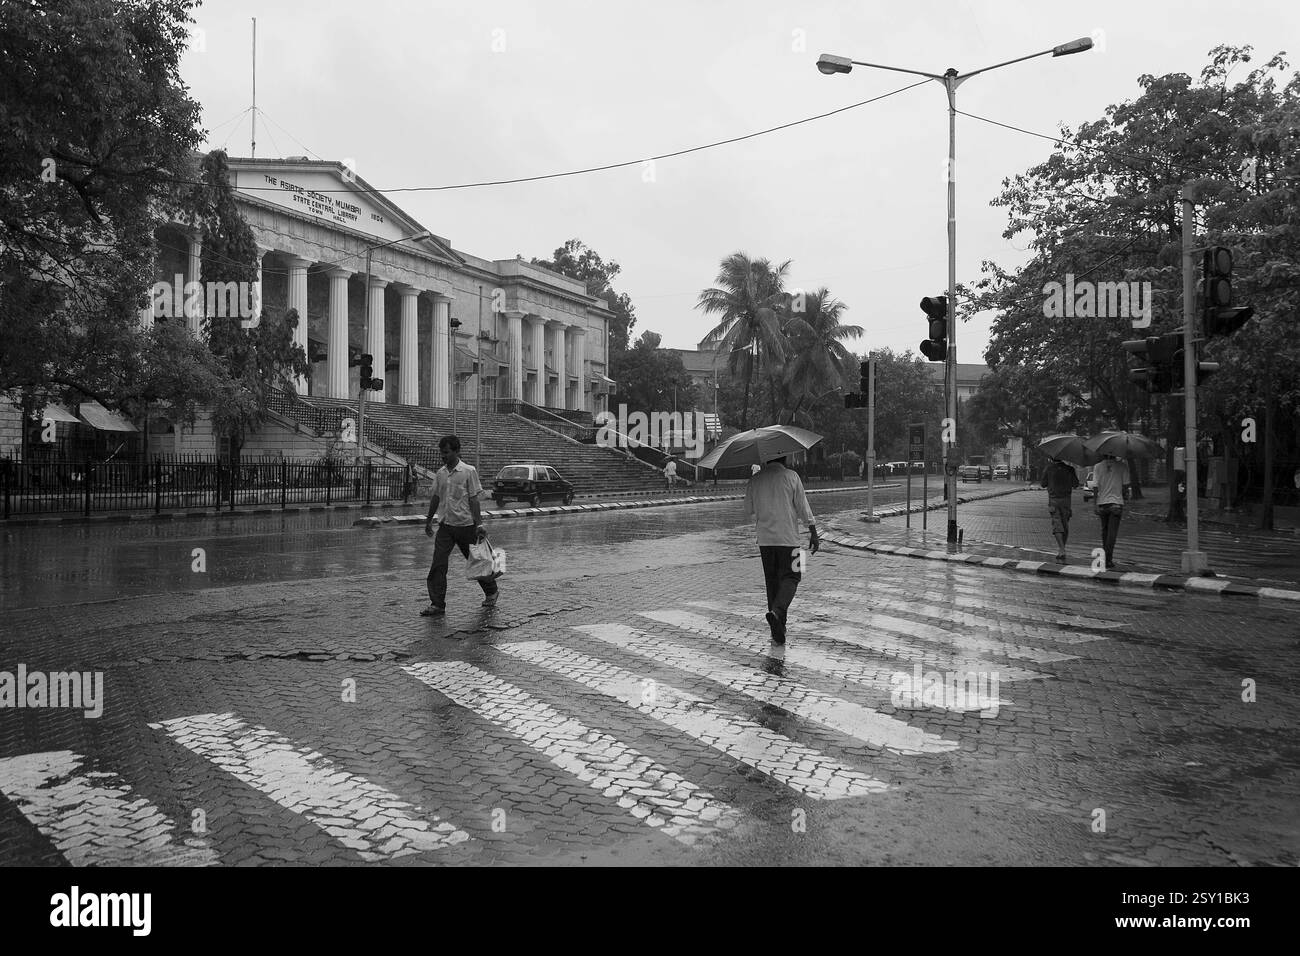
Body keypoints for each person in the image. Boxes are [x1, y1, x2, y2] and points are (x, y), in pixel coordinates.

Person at [744, 455, 818, 645]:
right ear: (784, 458)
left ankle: (778, 627)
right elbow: (803, 506)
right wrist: (813, 531)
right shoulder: (792, 476)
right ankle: (777, 613)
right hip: (790, 540)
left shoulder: (755, 480)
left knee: (772, 583)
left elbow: (748, 510)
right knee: (794, 576)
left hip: (765, 541)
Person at [423, 435, 498, 615]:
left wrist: (479, 524)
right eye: (442, 453)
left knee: (478, 562)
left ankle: (491, 591)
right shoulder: (440, 473)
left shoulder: (468, 471)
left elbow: (473, 499)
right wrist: (428, 520)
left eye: (447, 453)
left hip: (466, 526)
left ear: (457, 451)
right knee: (438, 564)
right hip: (446, 526)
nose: (444, 456)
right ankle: (437, 604)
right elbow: (436, 497)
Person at [1092, 453, 1131, 570]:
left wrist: (1095, 504)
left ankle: (1105, 557)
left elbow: (1095, 486)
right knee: (1112, 534)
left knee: (1105, 531)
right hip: (1116, 503)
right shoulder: (1122, 466)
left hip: (1102, 503)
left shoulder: (1097, 466)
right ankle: (1108, 559)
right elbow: (1126, 485)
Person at [1040, 457, 1080, 562]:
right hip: (1066, 501)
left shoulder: (1048, 469)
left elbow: (1043, 484)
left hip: (1053, 501)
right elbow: (1076, 484)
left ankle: (1062, 549)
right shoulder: (1070, 469)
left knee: (1057, 524)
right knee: (1065, 525)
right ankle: (1062, 549)